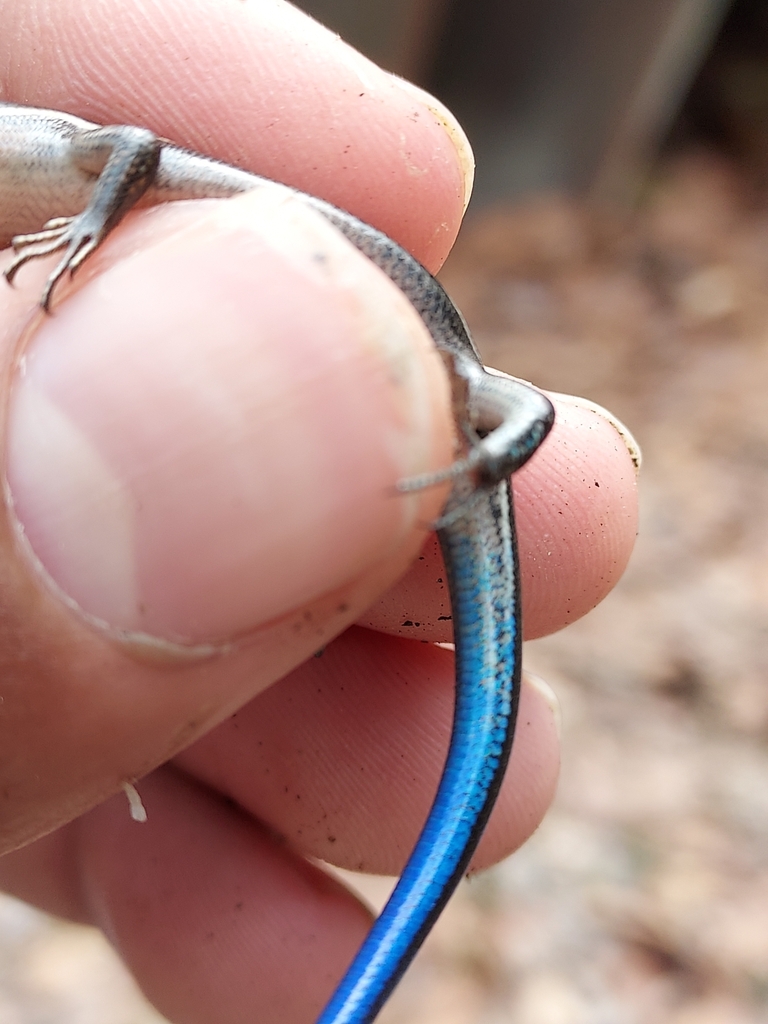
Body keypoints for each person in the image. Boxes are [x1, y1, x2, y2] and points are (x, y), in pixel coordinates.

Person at [0, 1, 639, 1021]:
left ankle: (490, 461)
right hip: (340, 327)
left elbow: (132, 149)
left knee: (506, 411)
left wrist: (87, 227)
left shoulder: (28, 138)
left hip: (414, 328)